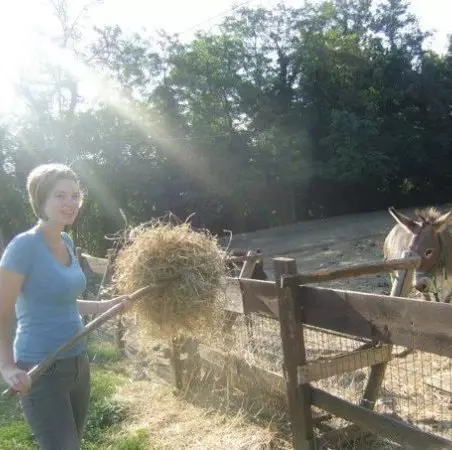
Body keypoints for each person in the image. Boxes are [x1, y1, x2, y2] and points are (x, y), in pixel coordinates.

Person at [0, 163, 131, 450]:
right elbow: (3, 311)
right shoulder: (23, 247)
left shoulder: (65, 240)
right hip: (40, 369)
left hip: (77, 364)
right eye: (60, 196)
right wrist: (7, 366)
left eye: (75, 195)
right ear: (41, 200)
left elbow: (64, 301)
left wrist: (107, 305)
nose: (70, 202)